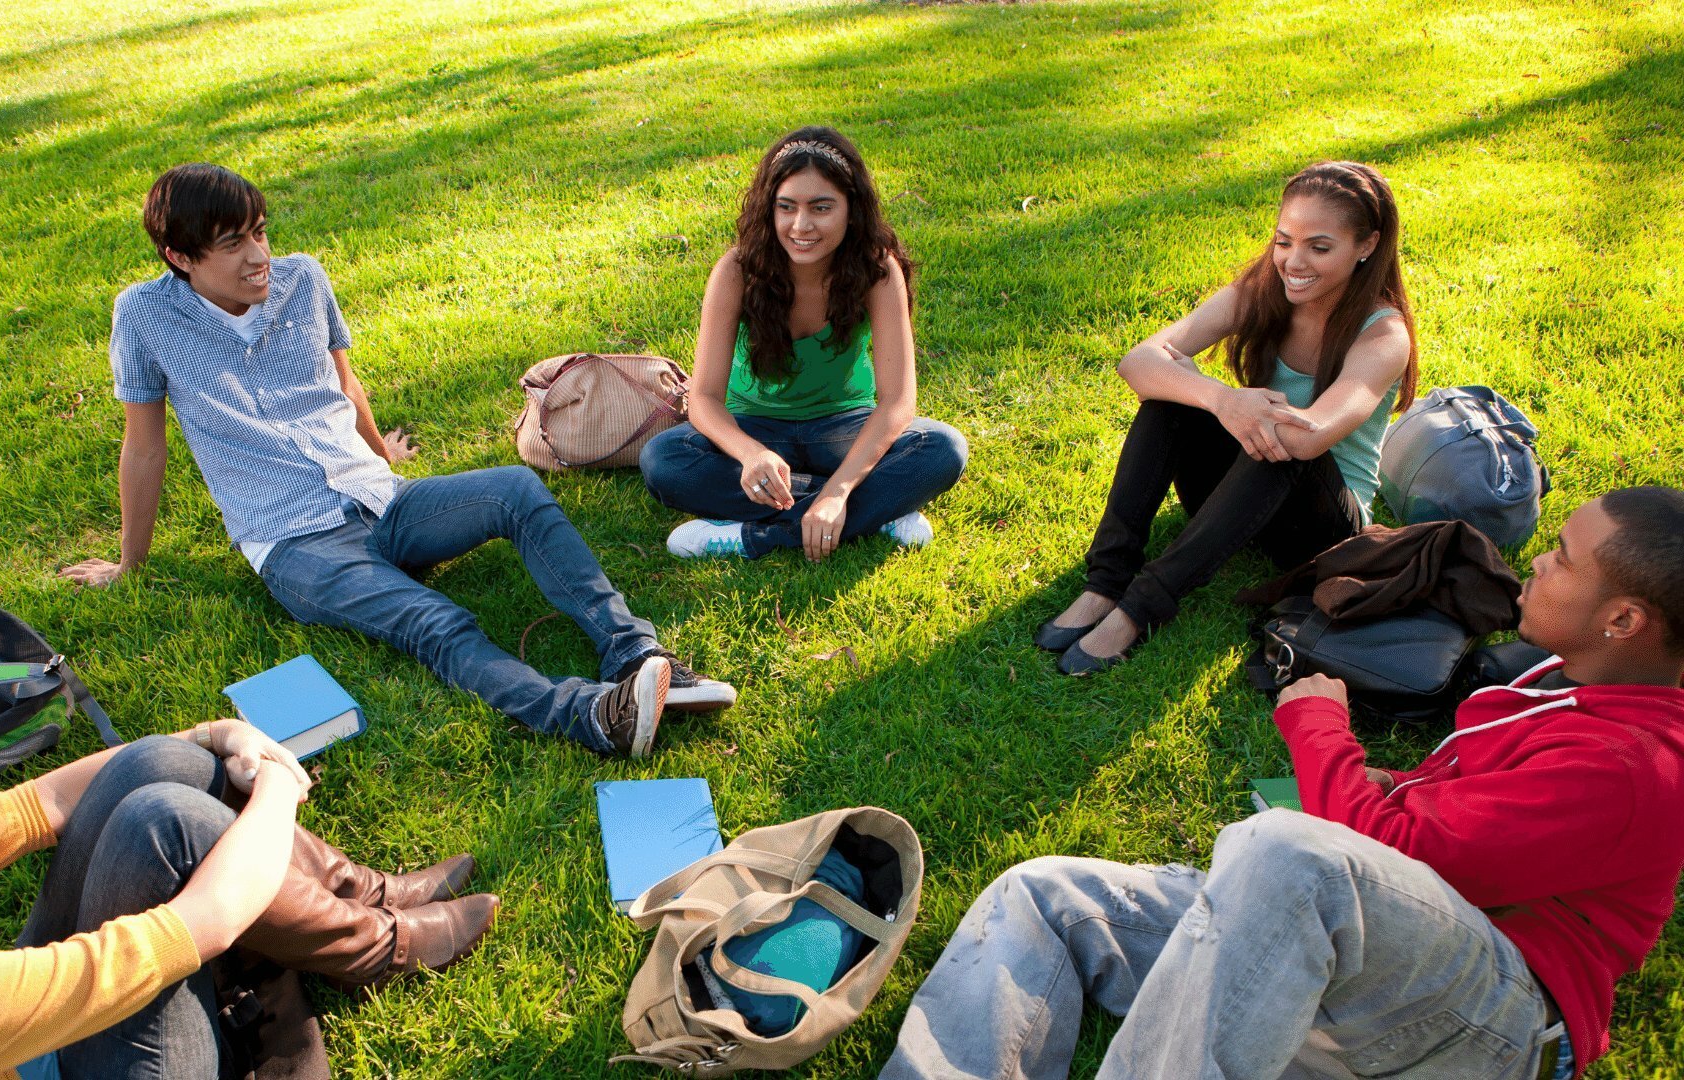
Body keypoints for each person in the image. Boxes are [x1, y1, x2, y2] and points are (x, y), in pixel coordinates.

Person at [881, 486, 1684, 1080]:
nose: (1541, 557)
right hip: (1385, 969)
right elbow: (1452, 819)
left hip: (1491, 1024)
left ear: (1623, 621)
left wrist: (1318, 723)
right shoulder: (1566, 682)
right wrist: (1382, 780)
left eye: (1566, 558)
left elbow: (1394, 851)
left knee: (1287, 854)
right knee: (1046, 892)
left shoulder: (1634, 767)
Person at [59, 163, 734, 758]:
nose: (258, 254)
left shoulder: (303, 280)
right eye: (233, 243)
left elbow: (346, 386)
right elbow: (145, 445)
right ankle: (590, 715)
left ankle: (638, 653)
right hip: (295, 543)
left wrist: (381, 458)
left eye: (259, 231)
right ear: (180, 256)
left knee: (515, 491)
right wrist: (129, 564)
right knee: (434, 621)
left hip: (378, 497)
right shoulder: (144, 317)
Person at [0, 696, 500, 1079]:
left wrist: (215, 737)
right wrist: (275, 792)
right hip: (50, 1056)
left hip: (20, 1049)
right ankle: (378, 945)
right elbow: (194, 926)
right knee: (169, 821)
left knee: (154, 770)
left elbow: (35, 808)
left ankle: (360, 893)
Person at [1035, 161, 1418, 675]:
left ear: (1366, 245)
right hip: (1235, 502)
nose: (1293, 262)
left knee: (1283, 442)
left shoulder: (1382, 334)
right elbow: (1140, 361)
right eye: (1284, 241)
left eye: (1318, 248)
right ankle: (1106, 581)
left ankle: (1139, 609)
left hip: (1319, 529)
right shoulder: (1262, 291)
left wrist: (1241, 407)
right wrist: (1221, 398)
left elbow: (1312, 435)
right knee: (1171, 401)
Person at [636, 126, 967, 562]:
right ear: (768, 210)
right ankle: (880, 511)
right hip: (754, 426)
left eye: (821, 207)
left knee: (942, 449)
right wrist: (751, 455)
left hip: (843, 427)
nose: (800, 225)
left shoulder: (878, 271)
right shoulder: (737, 271)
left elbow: (897, 402)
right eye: (786, 207)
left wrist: (839, 490)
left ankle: (751, 536)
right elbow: (704, 399)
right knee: (665, 459)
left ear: (852, 210)